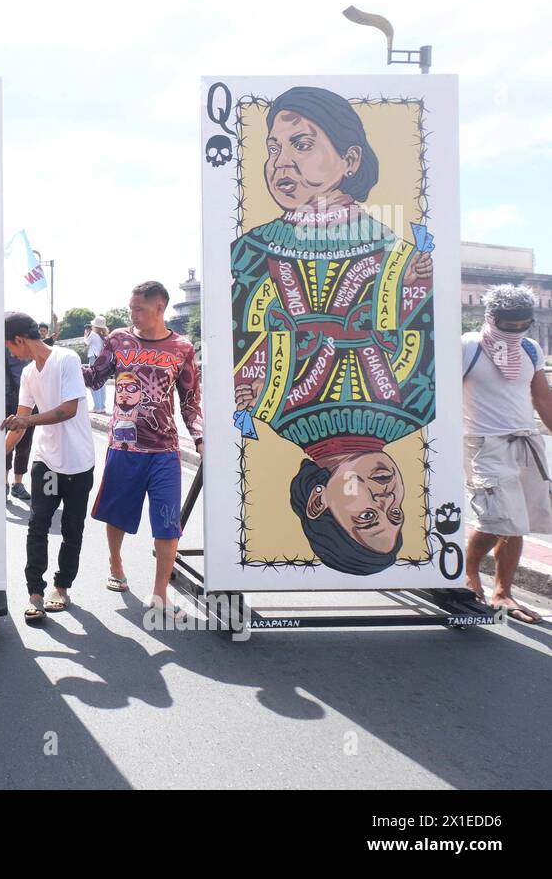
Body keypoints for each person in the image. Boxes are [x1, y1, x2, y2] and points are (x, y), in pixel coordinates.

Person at [230, 86, 433, 574]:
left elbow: (251, 336)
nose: (386, 497)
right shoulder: (419, 408)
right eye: (273, 148)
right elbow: (411, 331)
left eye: (300, 144)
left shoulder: (270, 412)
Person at [84, 281, 202, 621]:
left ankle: (160, 593)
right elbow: (93, 378)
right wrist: (53, 360)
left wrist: (199, 438)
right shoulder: (118, 340)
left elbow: (191, 401)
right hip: (124, 446)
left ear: (160, 308)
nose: (133, 314)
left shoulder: (182, 348)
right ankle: (116, 562)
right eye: (131, 308)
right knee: (117, 514)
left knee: (168, 522)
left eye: (139, 309)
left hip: (164, 450)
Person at [462, 284, 552, 623]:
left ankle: (503, 592)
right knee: (497, 519)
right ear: (490, 317)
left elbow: (542, 398)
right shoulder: (468, 346)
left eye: (523, 325)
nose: (515, 333)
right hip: (483, 442)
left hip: (526, 442)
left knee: (519, 522)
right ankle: (468, 573)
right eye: (507, 327)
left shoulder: (529, 349)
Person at [2, 312, 95, 622]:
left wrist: (27, 420)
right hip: (48, 465)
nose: (11, 354)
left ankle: (62, 587)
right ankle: (35, 594)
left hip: (78, 464)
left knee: (71, 529)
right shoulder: (28, 373)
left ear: (18, 340)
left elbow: (68, 410)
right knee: (38, 523)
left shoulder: (66, 359)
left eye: (9, 347)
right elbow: (19, 423)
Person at [4, 344, 34, 501]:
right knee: (5, 441)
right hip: (3, 399)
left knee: (25, 443)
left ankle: (18, 483)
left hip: (27, 399)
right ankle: (3, 483)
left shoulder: (25, 344)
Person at [85, 316, 108, 414]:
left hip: (94, 358)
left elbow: (86, 343)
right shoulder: (104, 336)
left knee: (94, 382)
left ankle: (97, 407)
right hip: (101, 360)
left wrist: (86, 335)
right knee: (101, 384)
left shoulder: (93, 334)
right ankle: (102, 406)